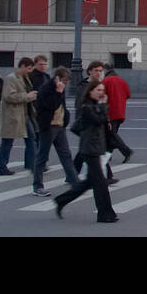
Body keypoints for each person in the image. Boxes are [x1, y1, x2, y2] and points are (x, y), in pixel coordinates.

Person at [54, 81, 119, 223]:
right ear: (90, 91)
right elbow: (98, 120)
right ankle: (105, 214)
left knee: (90, 181)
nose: (101, 93)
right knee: (101, 184)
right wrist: (104, 106)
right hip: (90, 150)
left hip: (95, 148)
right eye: (98, 90)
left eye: (102, 90)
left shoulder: (94, 106)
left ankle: (61, 200)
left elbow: (76, 127)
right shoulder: (87, 107)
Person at [32, 67, 80, 197]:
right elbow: (51, 106)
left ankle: (75, 182)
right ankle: (37, 186)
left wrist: (65, 118)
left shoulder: (60, 88)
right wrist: (58, 92)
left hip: (59, 125)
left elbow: (61, 105)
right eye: (64, 80)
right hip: (48, 126)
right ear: (57, 78)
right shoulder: (46, 89)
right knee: (42, 156)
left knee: (66, 155)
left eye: (67, 81)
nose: (66, 83)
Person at [0, 57, 38, 176]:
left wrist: (31, 96)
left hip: (23, 114)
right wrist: (27, 96)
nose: (30, 71)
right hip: (13, 115)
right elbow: (8, 96)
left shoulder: (24, 77)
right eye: (29, 68)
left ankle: (33, 165)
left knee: (31, 139)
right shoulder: (11, 78)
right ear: (22, 66)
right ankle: (1, 167)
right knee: (7, 141)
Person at [103, 68, 134, 170]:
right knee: (111, 134)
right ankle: (108, 155)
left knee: (111, 134)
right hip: (120, 111)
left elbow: (101, 95)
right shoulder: (122, 81)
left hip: (110, 112)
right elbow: (128, 94)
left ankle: (126, 151)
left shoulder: (106, 81)